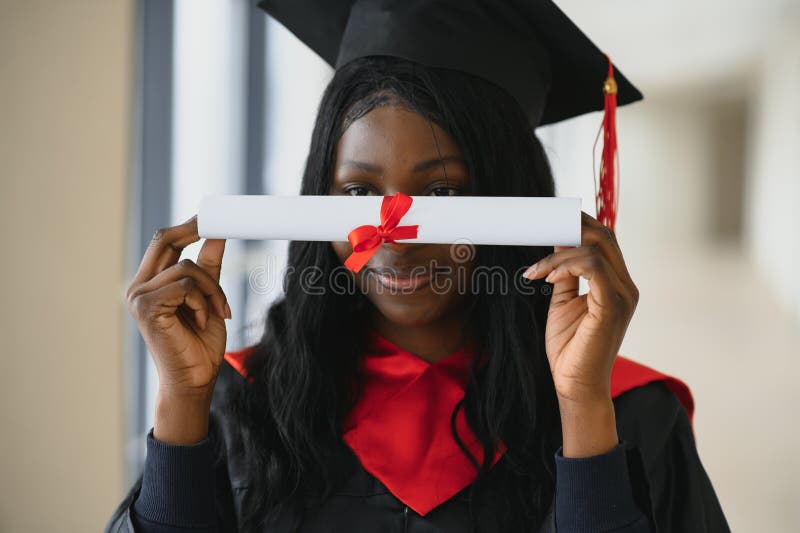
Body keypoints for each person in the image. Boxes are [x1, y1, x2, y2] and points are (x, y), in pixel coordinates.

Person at [106, 1, 730, 532]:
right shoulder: (242, 403)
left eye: (443, 195)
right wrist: (182, 404)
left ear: (514, 202)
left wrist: (583, 409)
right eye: (357, 193)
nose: (396, 242)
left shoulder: (633, 414)